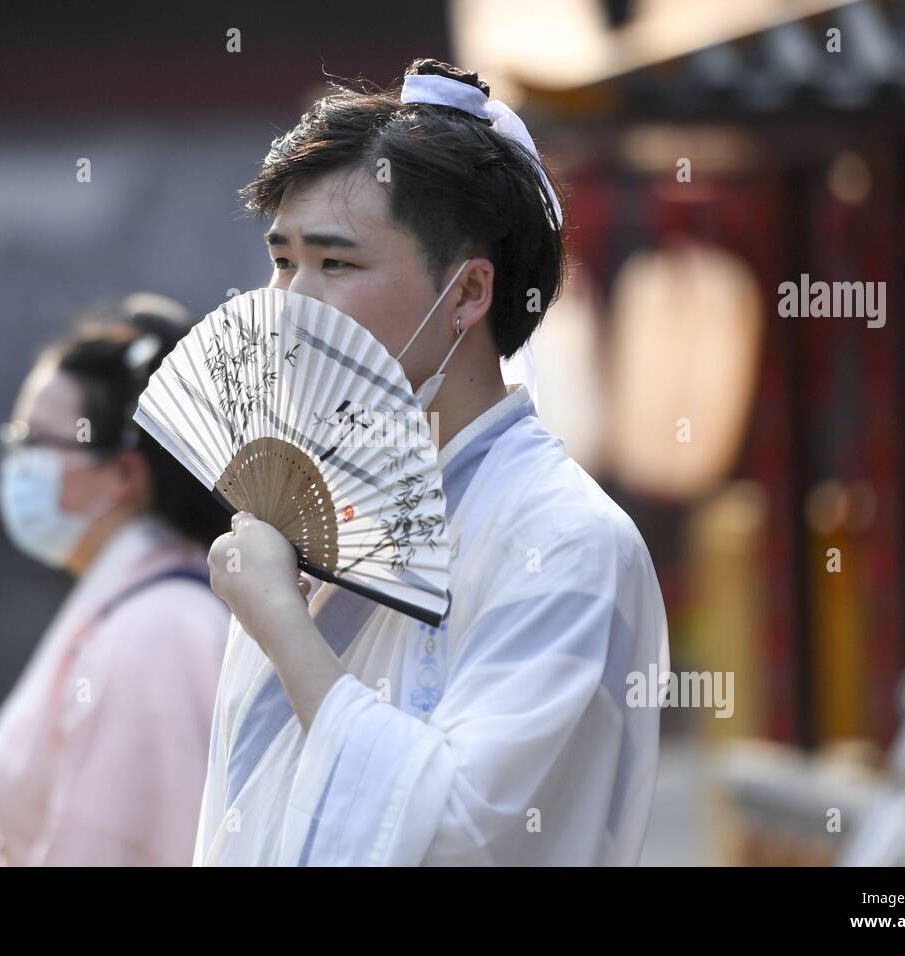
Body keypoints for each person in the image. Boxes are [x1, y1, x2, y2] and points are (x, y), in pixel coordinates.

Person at [192, 59, 671, 866]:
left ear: (468, 293)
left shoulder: (565, 540)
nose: (291, 305)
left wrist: (280, 623)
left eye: (335, 264)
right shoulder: (316, 524)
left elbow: (459, 830)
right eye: (283, 261)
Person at [0, 293, 231, 866]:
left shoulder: (159, 631)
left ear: (124, 474)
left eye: (35, 442)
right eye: (15, 438)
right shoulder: (133, 604)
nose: (16, 461)